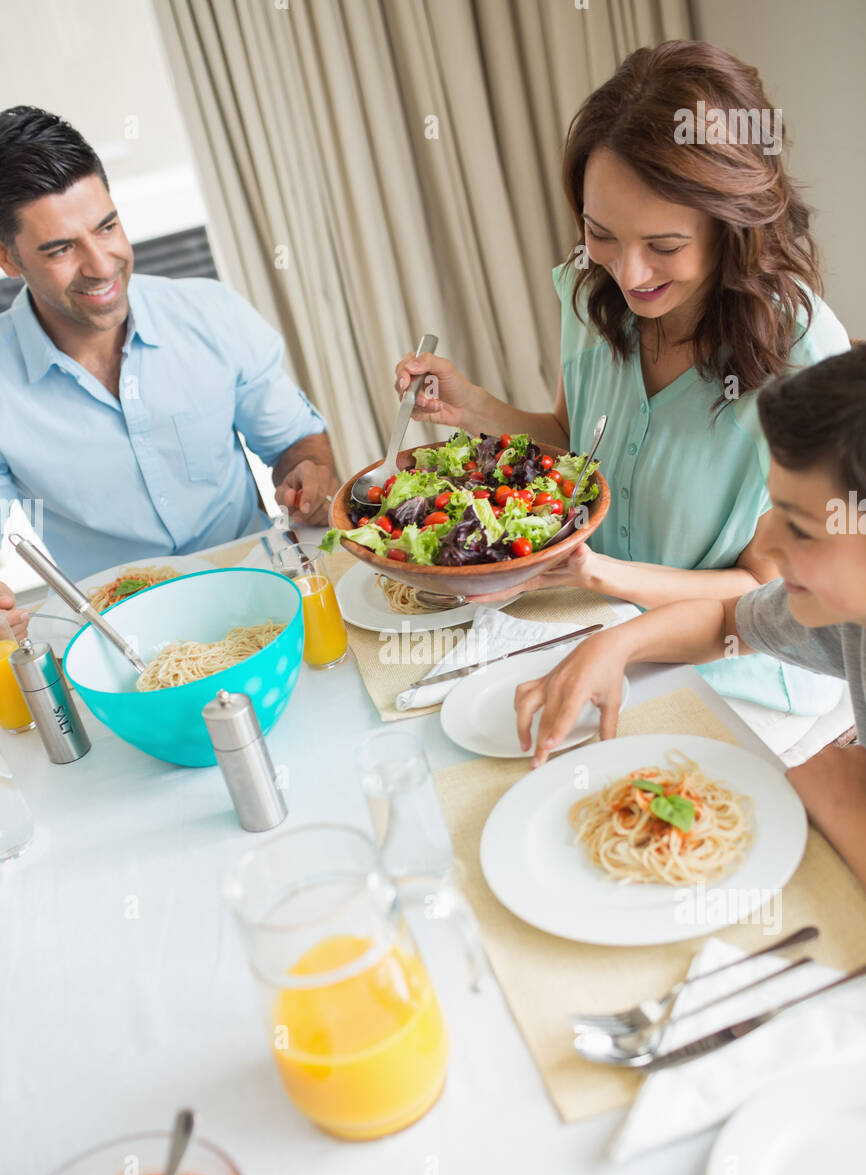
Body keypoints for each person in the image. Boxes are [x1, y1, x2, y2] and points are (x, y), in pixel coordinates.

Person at [394, 40, 850, 719]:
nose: (629, 274)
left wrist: (596, 570)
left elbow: (764, 591)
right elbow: (574, 442)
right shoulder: (594, 293)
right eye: (601, 233)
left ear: (731, 227)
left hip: (742, 676)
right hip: (597, 627)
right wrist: (476, 407)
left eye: (663, 247)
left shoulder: (799, 349)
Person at [513, 345, 866, 889]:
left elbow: (835, 791)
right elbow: (728, 624)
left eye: (800, 527)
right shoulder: (843, 607)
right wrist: (615, 645)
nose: (764, 541)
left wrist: (837, 796)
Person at [0, 105, 338, 597]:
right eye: (61, 249)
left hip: (265, 587)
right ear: (8, 257)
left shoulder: (212, 314)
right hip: (121, 630)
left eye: (106, 227)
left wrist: (306, 474)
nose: (101, 266)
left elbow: (296, 442)